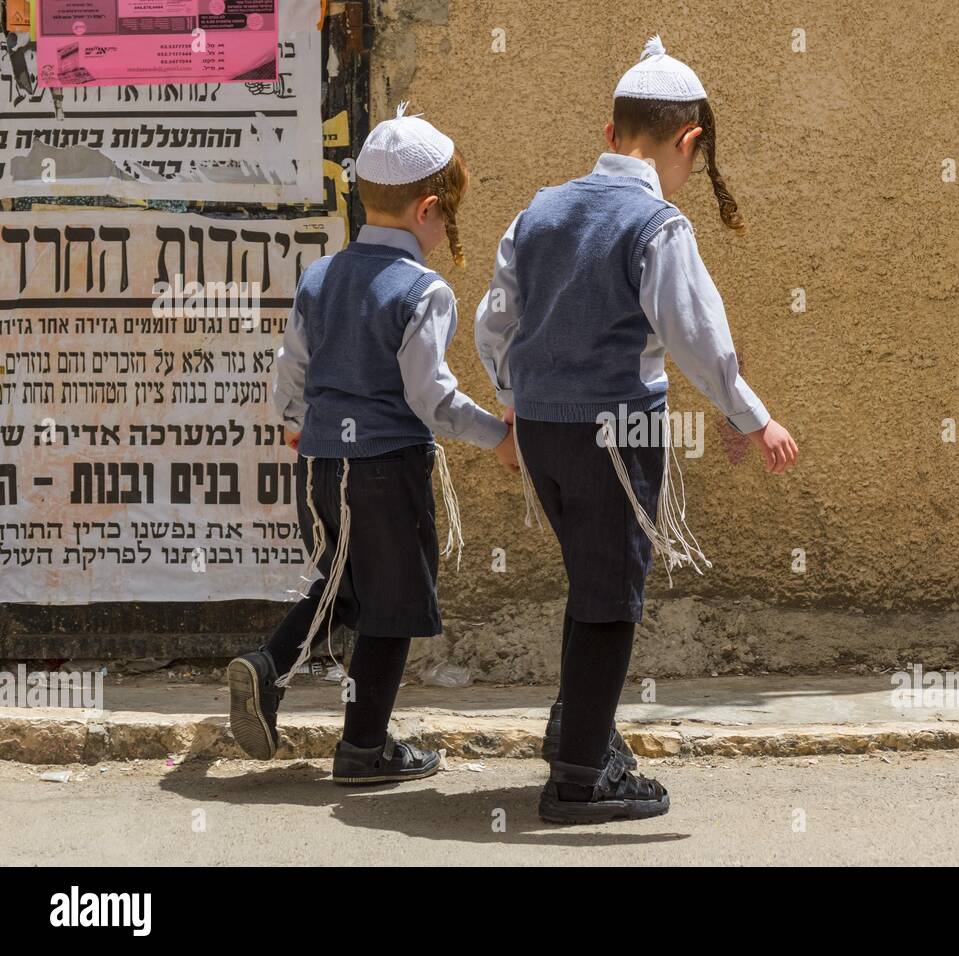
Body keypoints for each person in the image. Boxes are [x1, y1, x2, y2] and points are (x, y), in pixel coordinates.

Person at [476, 36, 798, 823]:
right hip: (613, 436)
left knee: (590, 586)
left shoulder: (538, 211)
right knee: (613, 596)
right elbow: (696, 335)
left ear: (612, 129)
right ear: (688, 141)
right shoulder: (657, 224)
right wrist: (752, 417)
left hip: (547, 430)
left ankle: (577, 734)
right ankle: (581, 779)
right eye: (695, 155)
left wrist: (513, 401)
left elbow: (493, 324)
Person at [227, 104, 517, 785]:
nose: (447, 230)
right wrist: (497, 436)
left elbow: (288, 366)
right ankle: (363, 750)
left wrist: (295, 420)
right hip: (387, 471)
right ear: (426, 210)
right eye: (448, 216)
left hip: (322, 466)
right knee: (389, 608)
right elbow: (430, 397)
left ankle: (268, 667)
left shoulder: (320, 275)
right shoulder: (425, 289)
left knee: (338, 589)